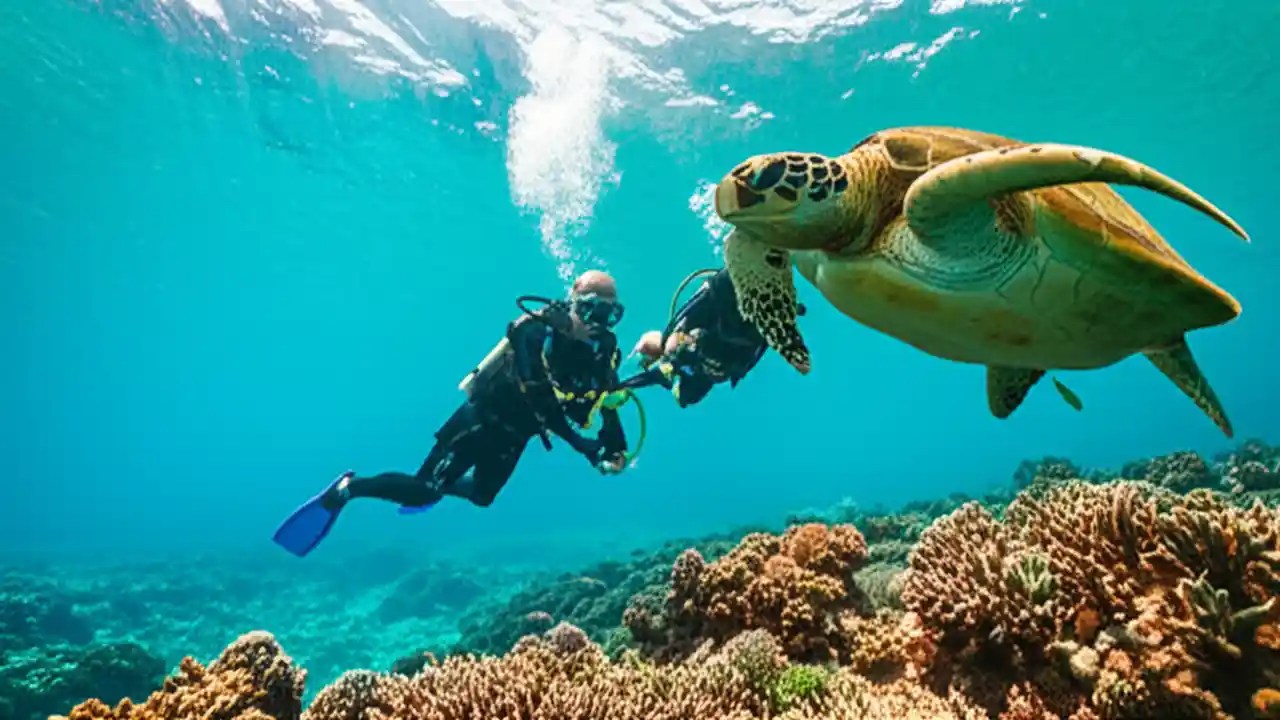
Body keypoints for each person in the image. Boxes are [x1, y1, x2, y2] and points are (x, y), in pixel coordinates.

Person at [272, 270, 632, 557]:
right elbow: (537, 393)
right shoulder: (534, 330)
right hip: (478, 423)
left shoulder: (602, 351)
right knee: (422, 491)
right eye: (590, 311)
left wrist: (614, 445)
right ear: (572, 303)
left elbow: (608, 398)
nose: (597, 324)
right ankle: (348, 489)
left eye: (608, 315)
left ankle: (438, 485)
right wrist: (579, 443)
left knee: (483, 497)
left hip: (516, 437)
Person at [617, 267, 804, 408]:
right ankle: (632, 366)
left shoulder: (766, 318)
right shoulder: (724, 289)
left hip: (713, 351)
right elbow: (677, 331)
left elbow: (744, 364)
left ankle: (636, 368)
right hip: (708, 333)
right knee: (664, 350)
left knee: (685, 391)